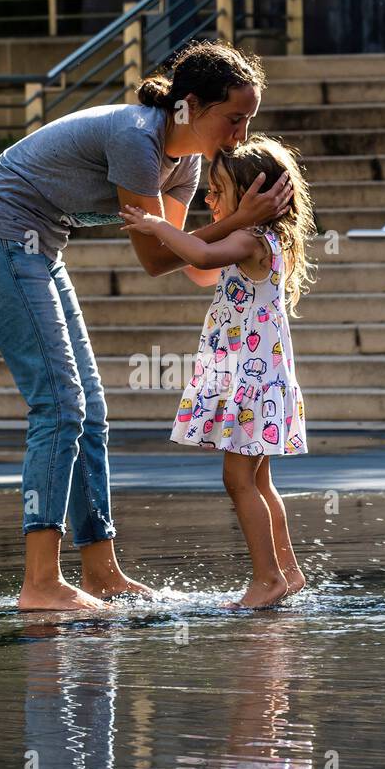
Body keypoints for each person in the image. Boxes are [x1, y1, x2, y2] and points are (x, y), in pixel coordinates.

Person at [0, 40, 293, 611]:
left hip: (38, 248)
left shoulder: (182, 165)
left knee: (91, 409)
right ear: (191, 107)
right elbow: (155, 257)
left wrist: (243, 238)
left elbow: (181, 258)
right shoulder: (137, 139)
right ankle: (40, 583)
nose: (240, 133)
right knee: (60, 405)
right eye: (234, 118)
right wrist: (239, 222)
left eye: (249, 120)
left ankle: (101, 572)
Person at [118, 134, 317, 608]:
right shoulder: (270, 240)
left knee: (238, 480)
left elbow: (203, 257)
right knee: (260, 480)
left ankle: (267, 579)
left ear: (253, 196)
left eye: (218, 190)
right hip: (260, 378)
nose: (209, 199)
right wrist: (203, 231)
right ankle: (287, 572)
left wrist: (154, 224)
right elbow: (200, 267)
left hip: (248, 382)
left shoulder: (249, 238)